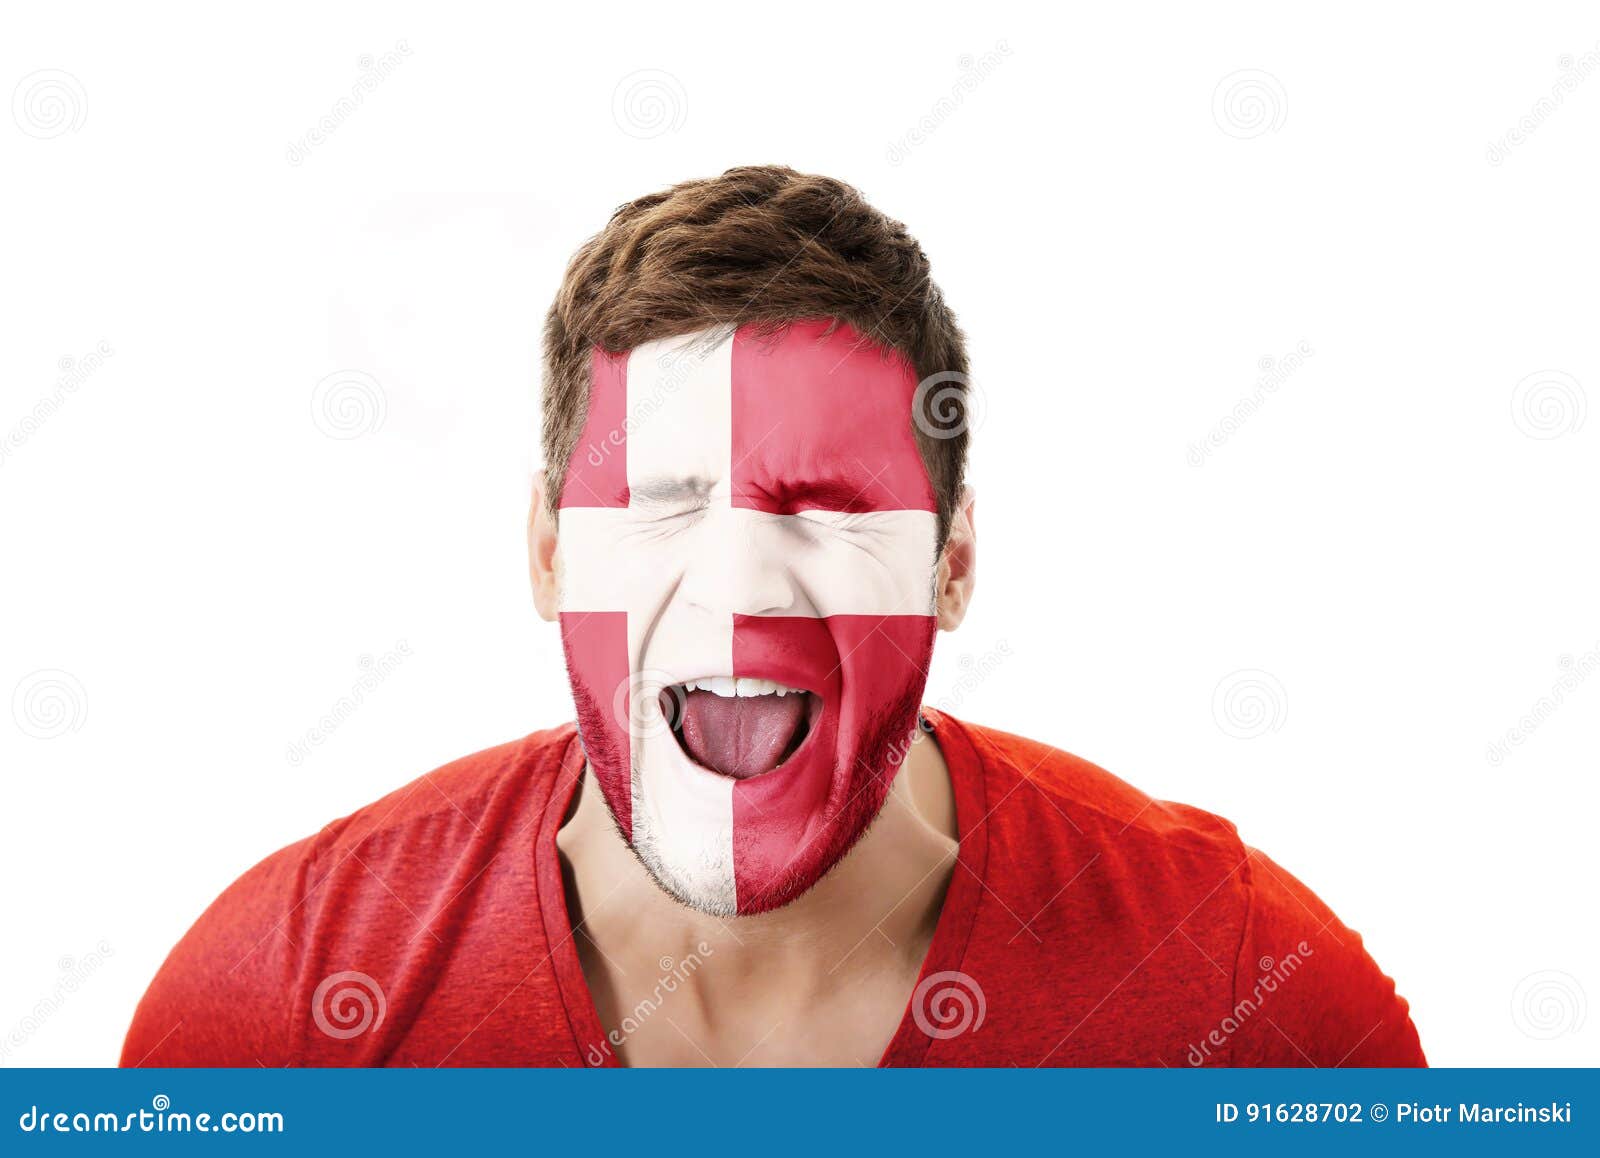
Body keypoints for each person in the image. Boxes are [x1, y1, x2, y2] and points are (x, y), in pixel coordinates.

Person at [121, 166, 1424, 1068]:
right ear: (545, 553)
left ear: (953, 562)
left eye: (825, 504)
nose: (741, 588)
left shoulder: (1248, 997)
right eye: (663, 499)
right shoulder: (283, 1005)